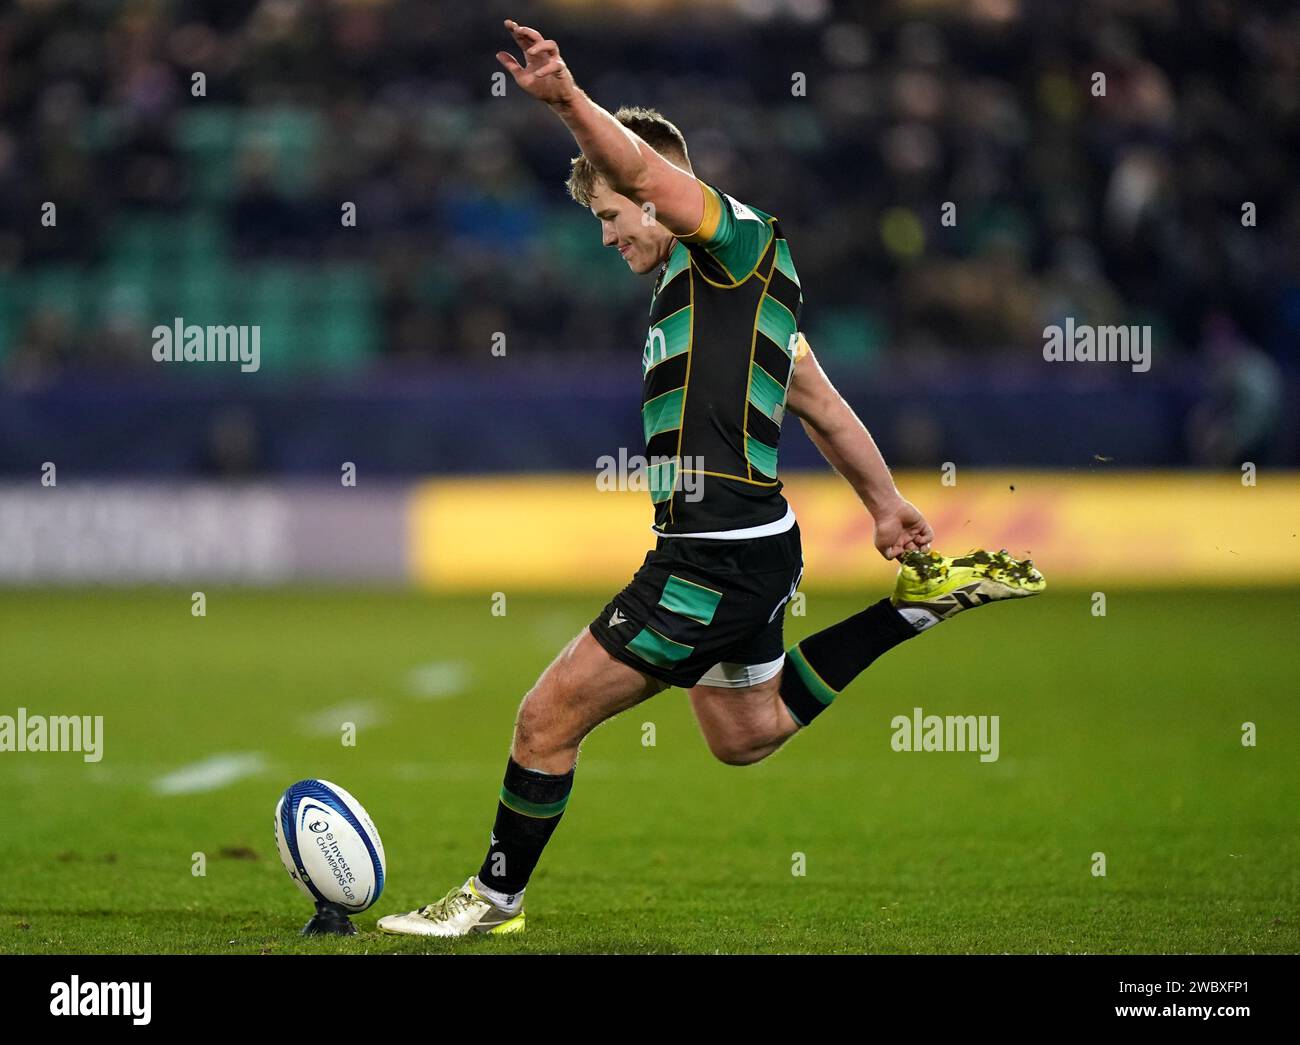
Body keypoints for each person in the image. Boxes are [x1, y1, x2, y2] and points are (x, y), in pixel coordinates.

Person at [377, 20, 1044, 937]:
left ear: (657, 196)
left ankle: (492, 900)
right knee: (747, 733)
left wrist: (567, 100)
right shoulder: (716, 293)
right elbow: (822, 404)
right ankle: (912, 610)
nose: (608, 237)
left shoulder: (736, 245)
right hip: (753, 548)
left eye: (610, 217)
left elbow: (648, 175)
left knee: (544, 719)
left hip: (713, 555)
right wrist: (888, 508)